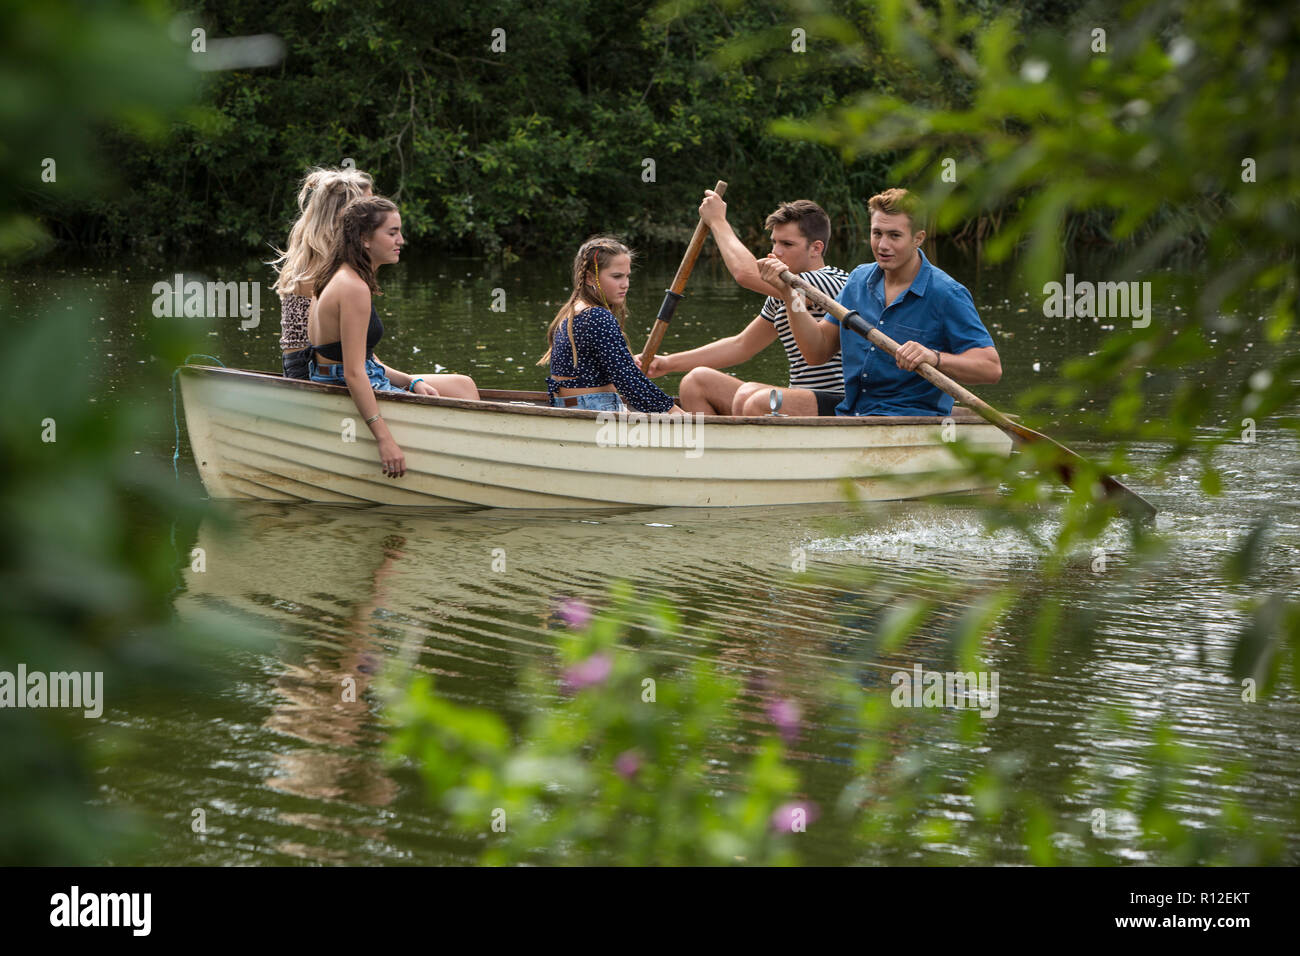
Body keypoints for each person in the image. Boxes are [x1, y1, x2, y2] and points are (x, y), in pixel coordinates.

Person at [757, 188, 1001, 417]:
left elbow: (990, 368)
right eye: (877, 234)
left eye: (894, 236)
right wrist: (790, 296)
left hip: (912, 421)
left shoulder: (946, 293)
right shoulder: (858, 281)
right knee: (755, 401)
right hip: (853, 413)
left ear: (918, 238)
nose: (883, 246)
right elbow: (816, 352)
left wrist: (934, 358)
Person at [309, 195, 479, 478]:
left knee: (462, 386)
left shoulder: (339, 275)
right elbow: (352, 373)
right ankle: (463, 470)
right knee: (463, 393)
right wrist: (384, 438)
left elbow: (362, 360)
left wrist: (412, 381)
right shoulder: (352, 287)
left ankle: (466, 463)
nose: (401, 240)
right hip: (342, 382)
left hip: (351, 374)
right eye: (392, 233)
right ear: (365, 238)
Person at [640, 194, 848, 416]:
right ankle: (715, 450)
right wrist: (667, 363)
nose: (776, 252)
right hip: (795, 398)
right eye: (774, 242)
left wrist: (718, 221)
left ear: (816, 248)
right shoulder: (781, 293)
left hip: (837, 402)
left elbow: (745, 274)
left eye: (787, 244)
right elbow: (742, 345)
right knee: (696, 381)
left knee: (754, 397)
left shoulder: (829, 282)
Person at [538, 236, 685, 414]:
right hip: (595, 407)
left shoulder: (571, 313)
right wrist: (675, 413)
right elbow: (630, 383)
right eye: (617, 277)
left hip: (573, 406)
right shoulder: (597, 316)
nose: (625, 284)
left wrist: (624, 361)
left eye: (627, 276)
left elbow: (589, 371)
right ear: (590, 278)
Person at [270, 166, 374, 379]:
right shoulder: (328, 270)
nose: (377, 215)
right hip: (314, 372)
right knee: (459, 385)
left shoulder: (318, 260)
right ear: (345, 215)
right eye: (370, 209)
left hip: (324, 365)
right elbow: (346, 354)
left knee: (460, 383)